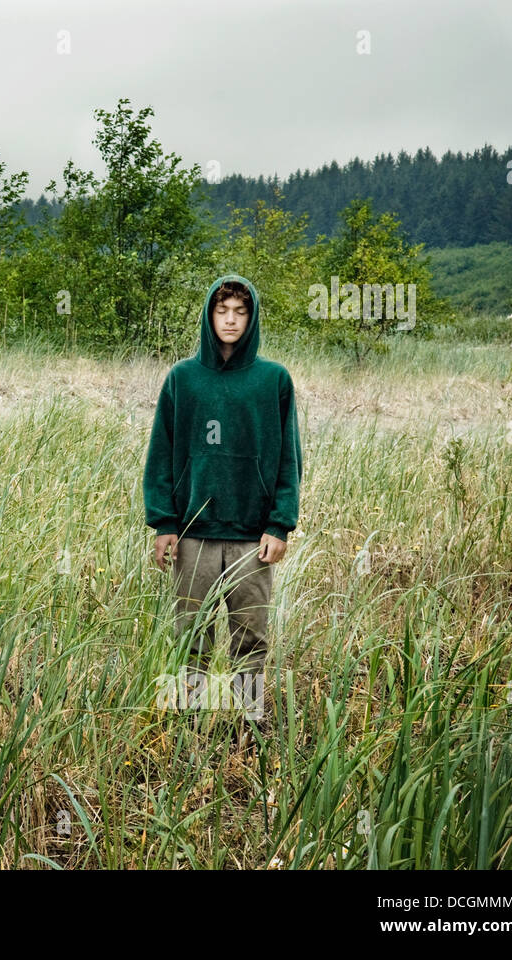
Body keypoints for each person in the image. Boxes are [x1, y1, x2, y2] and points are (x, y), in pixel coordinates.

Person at [142, 274, 303, 751]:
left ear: (251, 319)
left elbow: (288, 459)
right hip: (193, 533)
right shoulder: (183, 379)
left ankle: (248, 736)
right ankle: (187, 735)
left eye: (240, 312)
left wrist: (279, 523)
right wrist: (164, 523)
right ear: (209, 317)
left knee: (249, 641)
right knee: (190, 637)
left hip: (253, 537)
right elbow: (162, 453)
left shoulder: (272, 380)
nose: (230, 320)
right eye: (222, 311)